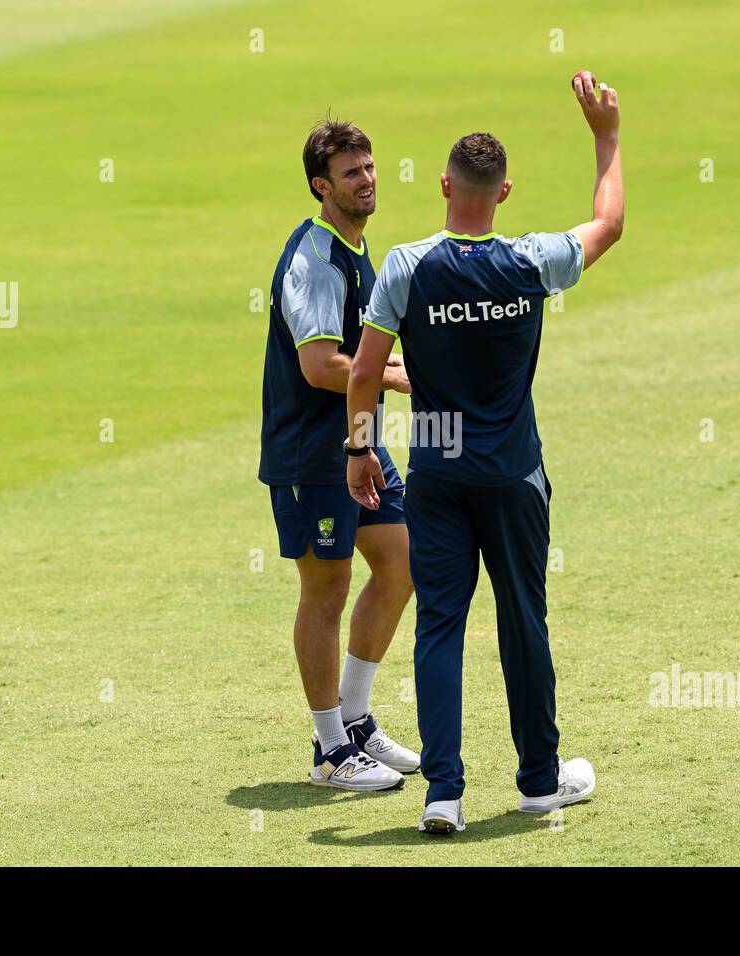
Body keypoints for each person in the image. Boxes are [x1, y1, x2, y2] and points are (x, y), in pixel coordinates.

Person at [344, 72, 624, 831]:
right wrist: (605, 137)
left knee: (440, 624)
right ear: (502, 194)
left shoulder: (404, 265)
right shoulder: (531, 262)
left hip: (435, 465)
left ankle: (444, 794)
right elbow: (609, 224)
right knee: (522, 621)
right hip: (511, 468)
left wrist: (358, 452)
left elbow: (366, 372)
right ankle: (538, 781)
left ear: (444, 184)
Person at [259, 117, 419, 791]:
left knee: (402, 561)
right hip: (312, 456)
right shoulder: (315, 259)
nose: (367, 180)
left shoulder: (355, 248)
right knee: (325, 589)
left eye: (371, 167)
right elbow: (322, 366)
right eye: (352, 173)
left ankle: (355, 720)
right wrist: (397, 374)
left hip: (356, 443)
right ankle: (329, 750)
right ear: (321, 186)